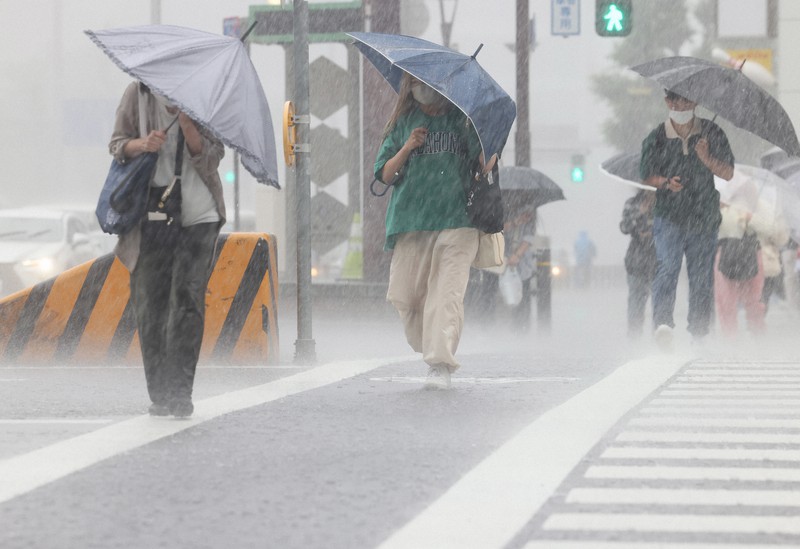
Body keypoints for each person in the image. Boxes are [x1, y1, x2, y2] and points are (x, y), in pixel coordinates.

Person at [110, 82, 226, 417]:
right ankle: (160, 392)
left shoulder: (202, 98)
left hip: (198, 215)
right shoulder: (137, 94)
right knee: (151, 305)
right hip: (152, 215)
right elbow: (117, 144)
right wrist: (141, 144)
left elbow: (212, 158)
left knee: (188, 300)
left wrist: (187, 122)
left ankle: (180, 392)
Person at [374, 74, 493, 390]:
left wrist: (486, 136)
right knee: (409, 298)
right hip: (412, 221)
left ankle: (440, 363)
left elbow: (485, 164)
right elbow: (385, 174)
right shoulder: (403, 123)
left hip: (458, 219)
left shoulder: (461, 121)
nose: (423, 88)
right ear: (409, 87)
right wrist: (408, 146)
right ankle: (432, 341)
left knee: (446, 293)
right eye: (415, 82)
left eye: (427, 83)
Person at [640, 89, 734, 348]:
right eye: (675, 99)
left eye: (687, 99)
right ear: (666, 101)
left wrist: (707, 158)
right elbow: (646, 175)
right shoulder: (656, 137)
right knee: (668, 267)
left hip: (703, 217)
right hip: (669, 216)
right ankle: (662, 324)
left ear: (696, 101)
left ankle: (700, 332)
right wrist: (666, 183)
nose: (681, 105)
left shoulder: (713, 134)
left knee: (701, 275)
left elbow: (727, 173)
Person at [619, 189, 656, 339]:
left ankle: (659, 335)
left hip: (658, 258)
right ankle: (634, 336)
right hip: (636, 259)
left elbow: (669, 226)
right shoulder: (632, 203)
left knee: (659, 299)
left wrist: (653, 230)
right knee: (636, 299)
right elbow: (624, 227)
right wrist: (640, 214)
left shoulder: (665, 202)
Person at [503, 205, 538, 331]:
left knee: (522, 295)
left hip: (522, 264)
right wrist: (514, 222)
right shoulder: (502, 210)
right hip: (503, 261)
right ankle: (510, 326)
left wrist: (517, 255)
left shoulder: (530, 212)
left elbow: (528, 239)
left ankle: (522, 327)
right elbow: (497, 230)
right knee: (507, 294)